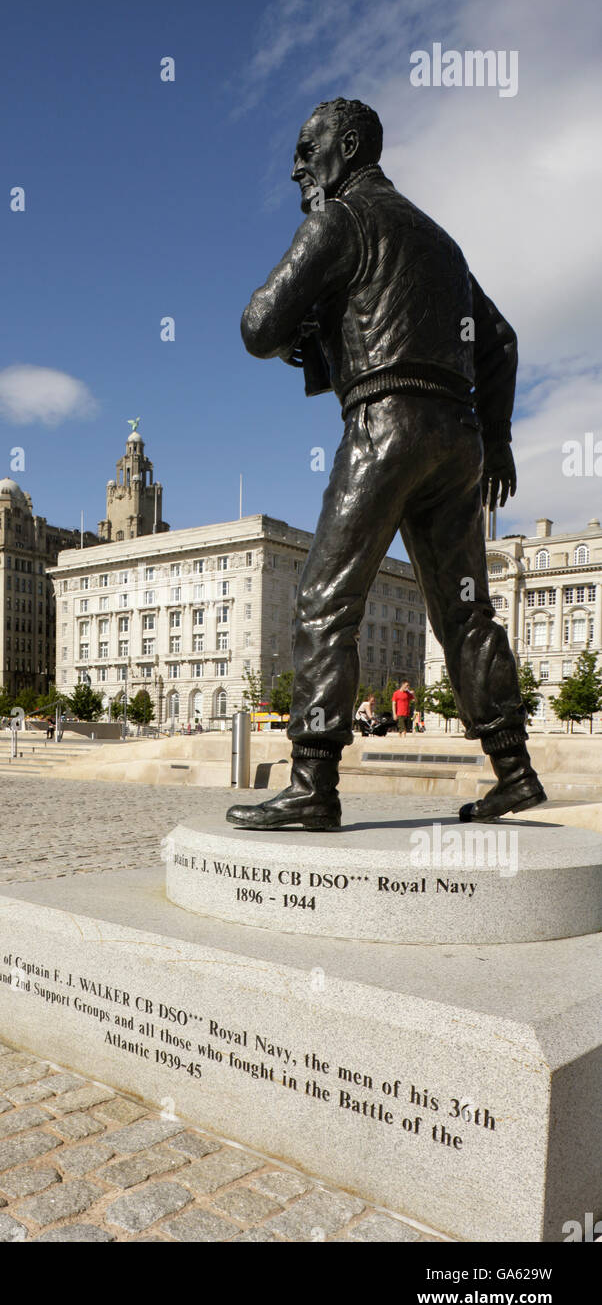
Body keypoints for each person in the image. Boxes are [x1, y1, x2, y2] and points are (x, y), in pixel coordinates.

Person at [227, 96, 545, 831]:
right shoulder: (441, 242)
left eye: (309, 150)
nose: (299, 167)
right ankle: (514, 769)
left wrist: (303, 321)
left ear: (348, 145)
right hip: (458, 436)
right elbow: (501, 340)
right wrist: (495, 438)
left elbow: (257, 324)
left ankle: (313, 782)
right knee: (465, 611)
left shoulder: (343, 219)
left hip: (387, 421)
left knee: (324, 597)